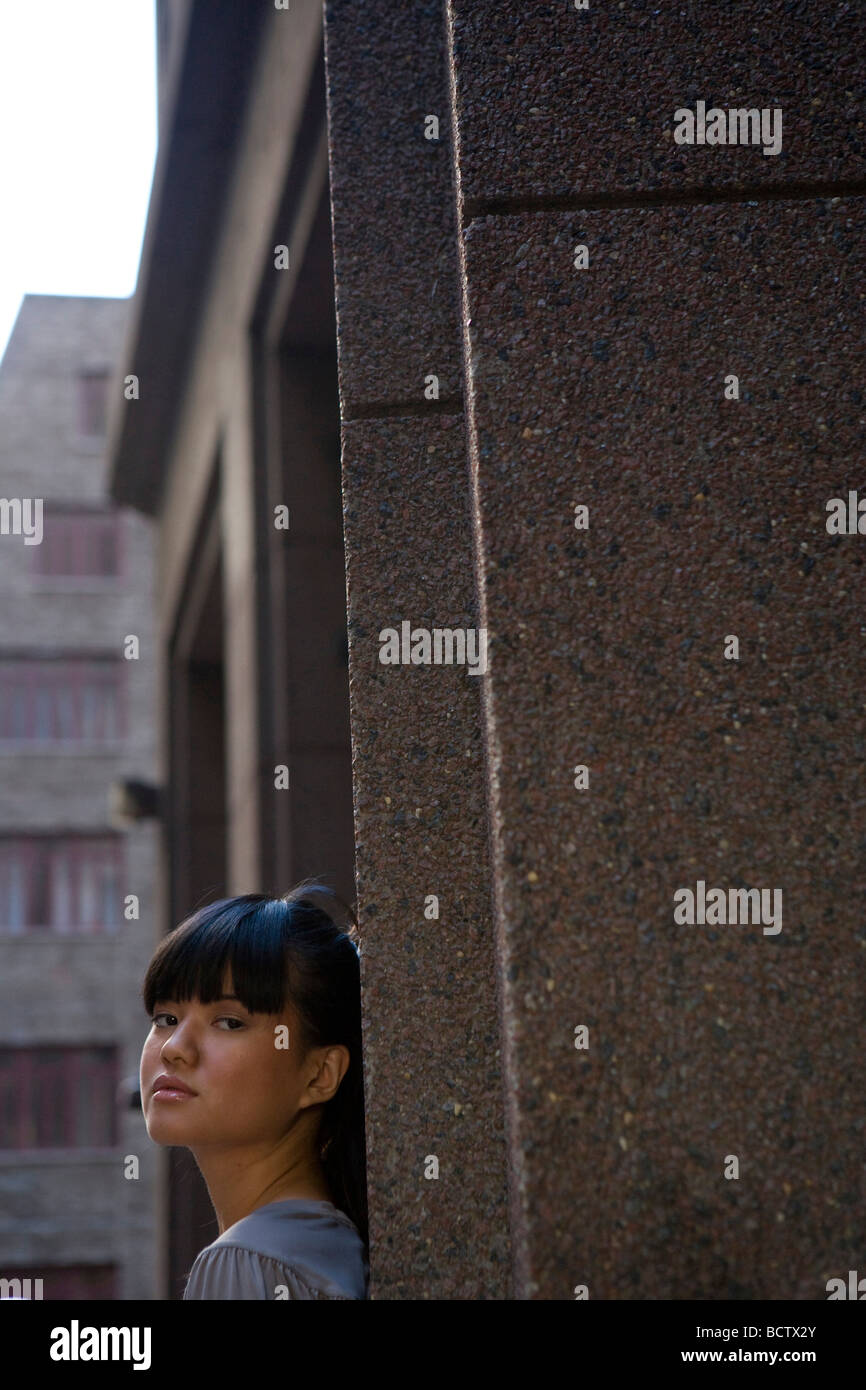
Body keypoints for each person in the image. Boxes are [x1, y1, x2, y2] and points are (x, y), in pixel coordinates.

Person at [138, 881, 369, 1300]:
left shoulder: (250, 1261)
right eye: (166, 1017)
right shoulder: (323, 1246)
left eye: (229, 1022)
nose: (174, 1049)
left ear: (320, 1075)